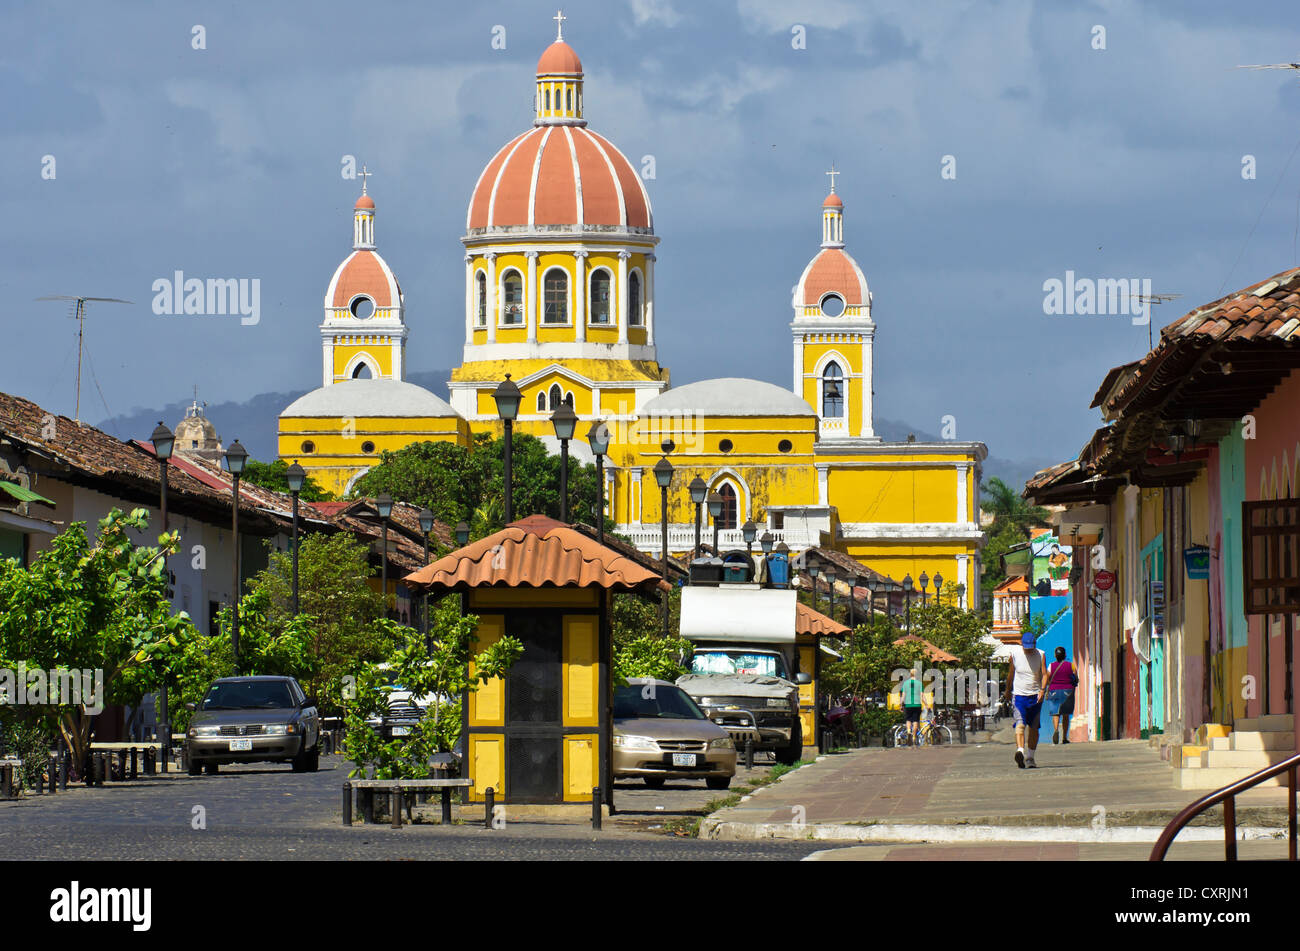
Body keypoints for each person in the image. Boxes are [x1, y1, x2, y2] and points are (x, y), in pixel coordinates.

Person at [1005, 630, 1049, 768]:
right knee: (1020, 724)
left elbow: (1045, 674)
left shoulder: (1041, 654)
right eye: (1026, 647)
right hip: (1019, 695)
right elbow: (1011, 674)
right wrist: (1007, 690)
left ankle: (1030, 757)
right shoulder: (1015, 655)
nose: (1029, 650)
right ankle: (1020, 751)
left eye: (1031, 647)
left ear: (1035, 645)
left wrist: (1042, 689)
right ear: (1022, 645)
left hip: (1035, 696)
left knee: (1034, 728)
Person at [1045, 646, 1077, 744]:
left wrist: (1049, 685)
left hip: (1054, 690)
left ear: (1055, 655)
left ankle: (1056, 730)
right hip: (1067, 691)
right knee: (1066, 715)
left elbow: (1047, 677)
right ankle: (1064, 737)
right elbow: (1075, 678)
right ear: (1065, 655)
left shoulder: (1051, 665)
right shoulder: (1071, 665)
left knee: (1056, 713)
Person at [899, 669, 923, 746]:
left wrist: (900, 704)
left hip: (908, 704)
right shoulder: (919, 683)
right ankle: (913, 737)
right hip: (917, 704)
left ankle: (909, 731)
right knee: (915, 720)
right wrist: (926, 704)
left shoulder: (905, 683)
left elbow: (903, 695)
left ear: (910, 674)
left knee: (908, 719)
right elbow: (922, 695)